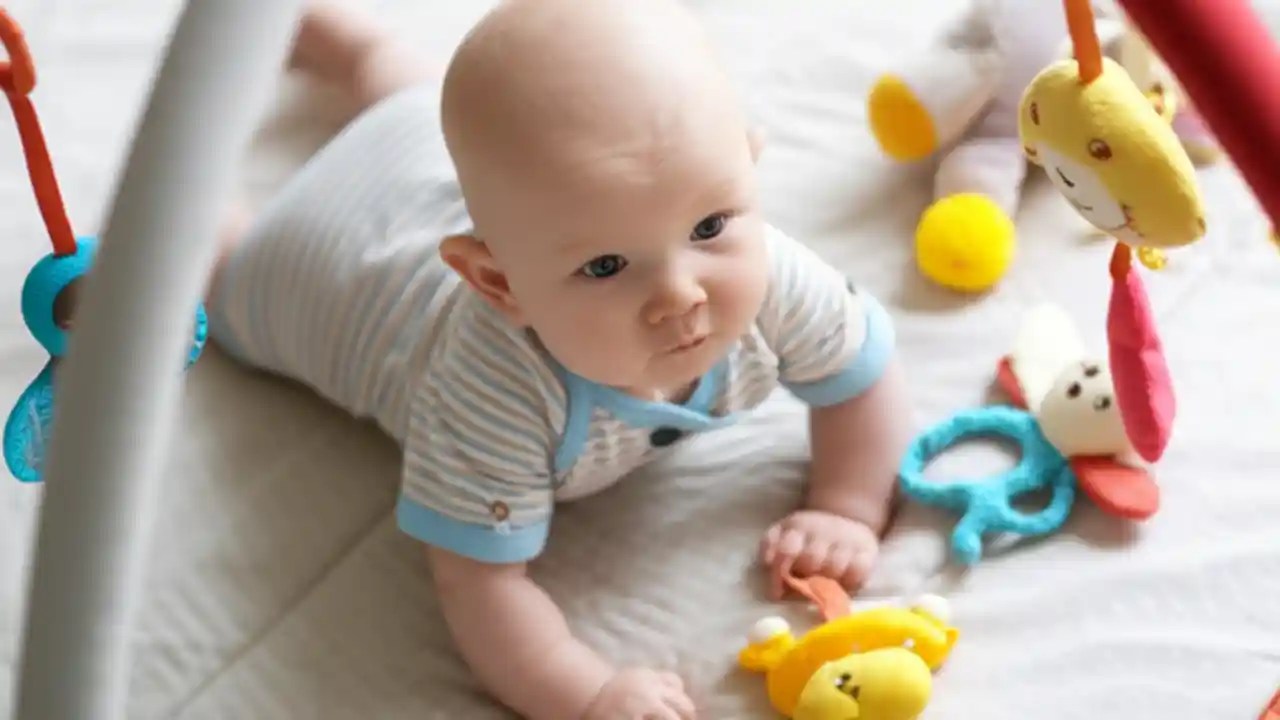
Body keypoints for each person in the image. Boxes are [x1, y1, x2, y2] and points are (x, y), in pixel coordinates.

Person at [208, 1, 912, 717]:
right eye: (606, 266)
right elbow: (478, 583)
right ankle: (211, 208)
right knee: (213, 268)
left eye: (708, 226)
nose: (678, 294)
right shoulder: (492, 393)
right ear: (497, 284)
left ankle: (357, 50)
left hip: (430, 156)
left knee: (428, 115)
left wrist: (847, 507)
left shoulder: (772, 275)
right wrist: (586, 694)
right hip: (338, 269)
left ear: (748, 165)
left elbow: (861, 373)